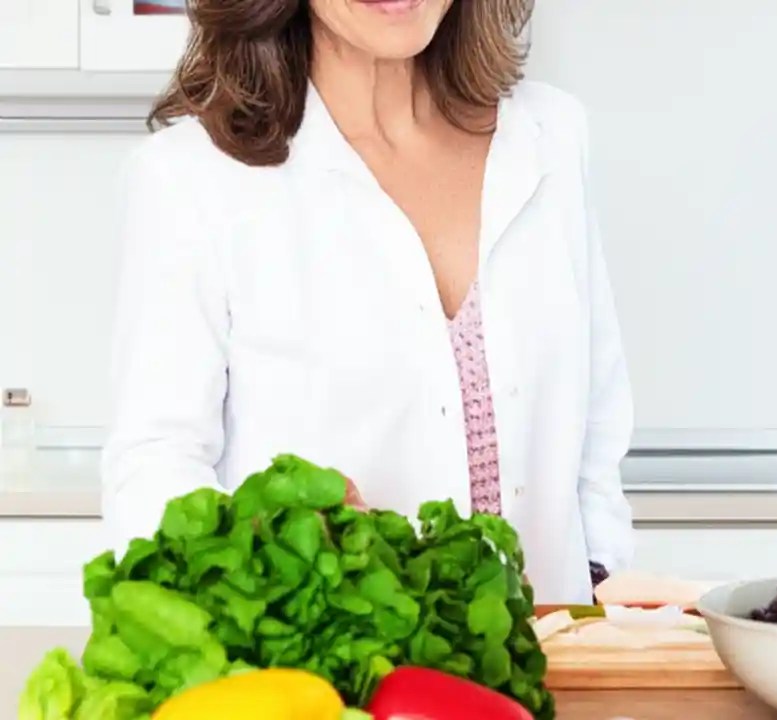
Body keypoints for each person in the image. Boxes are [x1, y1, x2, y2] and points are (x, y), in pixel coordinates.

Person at [101, 0, 635, 604]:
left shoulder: (552, 135)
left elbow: (596, 426)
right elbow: (155, 469)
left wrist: (597, 588)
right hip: (338, 686)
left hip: (554, 673)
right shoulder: (190, 181)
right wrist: (275, 543)